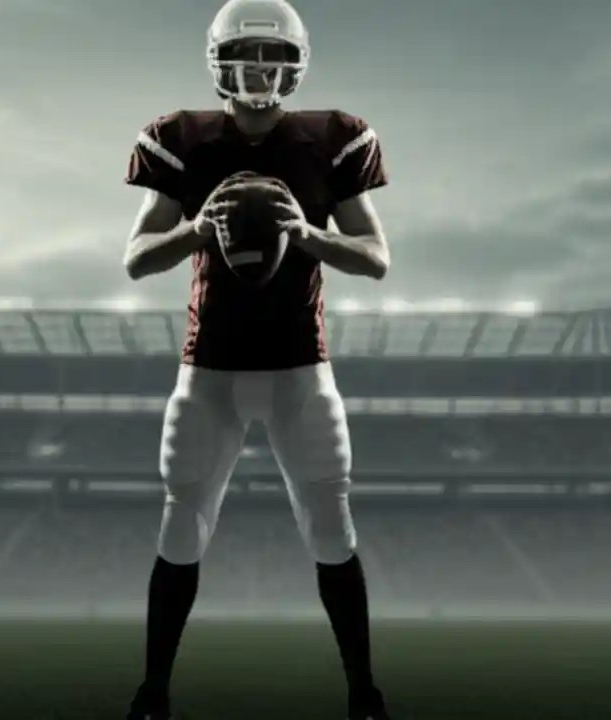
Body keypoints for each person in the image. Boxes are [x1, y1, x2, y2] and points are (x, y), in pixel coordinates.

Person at [121, 1, 391, 718]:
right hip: (208, 369)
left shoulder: (336, 139)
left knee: (331, 526)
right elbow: (136, 259)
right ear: (220, 62)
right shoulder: (179, 139)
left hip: (301, 368)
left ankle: (363, 691)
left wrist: (306, 234)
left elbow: (376, 258)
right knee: (182, 523)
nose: (261, 73)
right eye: (248, 58)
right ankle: (154, 690)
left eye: (274, 59)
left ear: (296, 65)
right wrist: (196, 231)